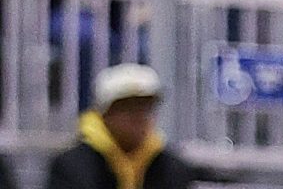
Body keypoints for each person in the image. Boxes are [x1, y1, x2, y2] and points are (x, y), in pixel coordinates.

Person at [46, 64, 200, 189]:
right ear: (105, 115)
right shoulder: (71, 168)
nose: (140, 117)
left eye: (146, 108)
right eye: (128, 108)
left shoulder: (172, 169)